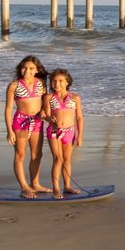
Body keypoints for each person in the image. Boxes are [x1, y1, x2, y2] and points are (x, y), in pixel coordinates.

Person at [4, 56, 51, 199]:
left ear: (37, 70)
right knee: (21, 154)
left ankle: (35, 183)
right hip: (21, 123)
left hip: (37, 122)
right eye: (24, 68)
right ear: (20, 68)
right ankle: (24, 187)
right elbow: (8, 109)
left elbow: (45, 103)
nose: (27, 71)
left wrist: (44, 111)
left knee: (37, 154)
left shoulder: (41, 83)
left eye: (31, 68)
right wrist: (9, 131)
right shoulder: (14, 85)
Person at [43, 68, 84, 199]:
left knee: (67, 159)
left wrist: (79, 136)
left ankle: (67, 186)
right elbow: (47, 115)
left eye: (61, 81)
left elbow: (79, 118)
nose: (57, 84)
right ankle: (56, 188)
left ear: (67, 82)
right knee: (57, 159)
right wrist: (50, 119)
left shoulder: (75, 97)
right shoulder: (49, 98)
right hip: (54, 131)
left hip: (69, 132)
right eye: (54, 81)